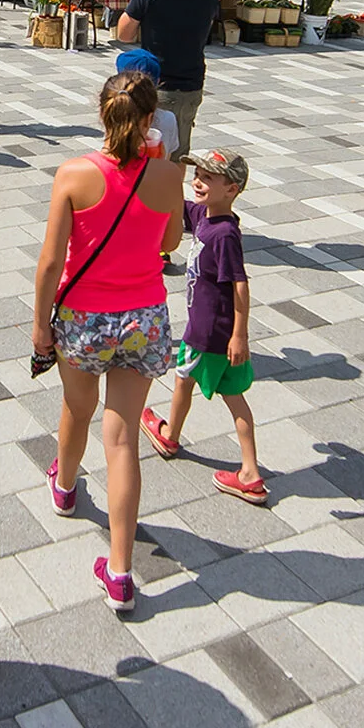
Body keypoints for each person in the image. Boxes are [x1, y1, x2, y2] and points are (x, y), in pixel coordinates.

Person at [33, 71, 187, 613]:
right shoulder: (169, 176)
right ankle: (121, 572)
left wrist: (39, 327)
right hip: (142, 316)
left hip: (84, 318)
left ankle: (67, 484)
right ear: (152, 120)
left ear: (102, 114)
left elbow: (52, 261)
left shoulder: (74, 174)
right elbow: (168, 244)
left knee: (78, 408)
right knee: (121, 439)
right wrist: (160, 159)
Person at [144, 147, 262, 502]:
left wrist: (240, 334)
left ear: (232, 189)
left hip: (208, 331)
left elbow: (239, 284)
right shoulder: (207, 218)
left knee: (183, 381)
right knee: (234, 399)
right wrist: (158, 169)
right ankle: (251, 473)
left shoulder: (224, 234)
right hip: (219, 333)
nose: (198, 182)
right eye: (199, 175)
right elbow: (179, 205)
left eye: (209, 178)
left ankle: (170, 434)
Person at [116, 0, 219, 157]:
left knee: (149, 155)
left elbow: (124, 34)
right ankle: (173, 193)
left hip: (157, 86)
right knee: (180, 152)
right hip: (192, 84)